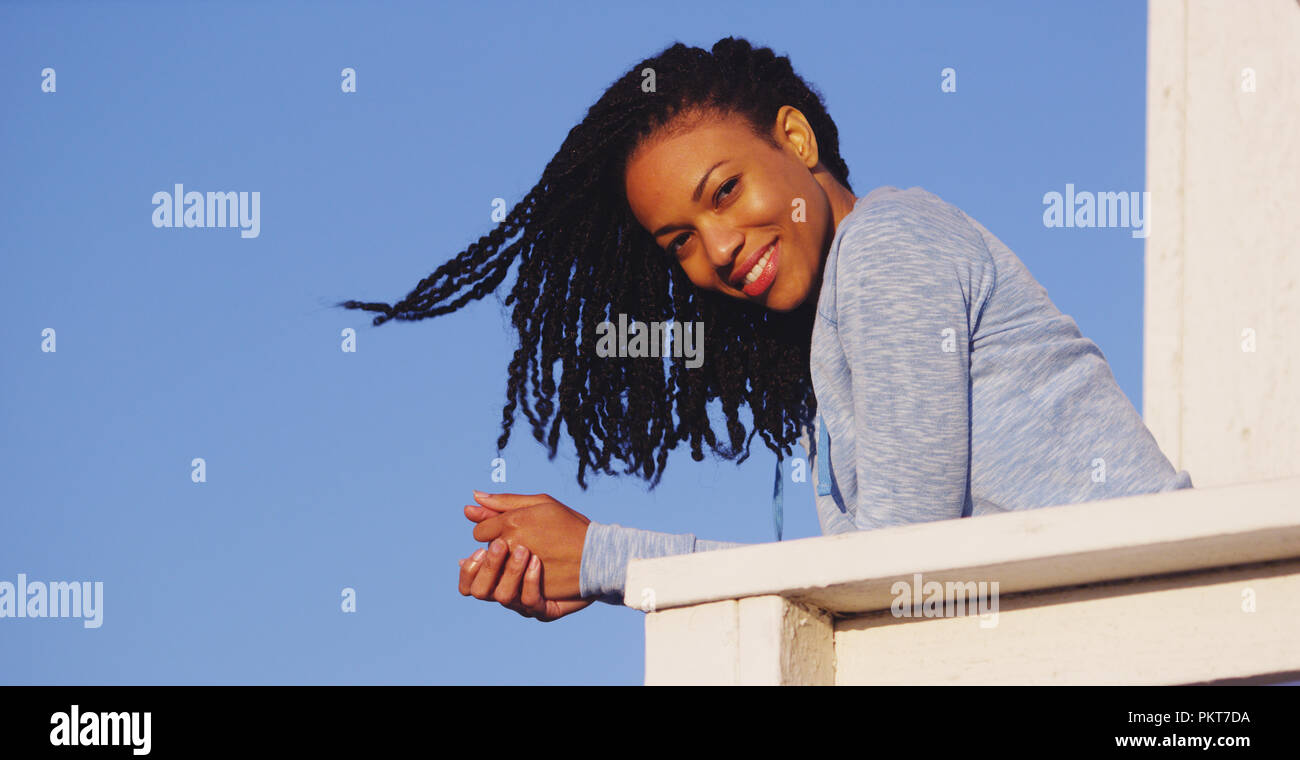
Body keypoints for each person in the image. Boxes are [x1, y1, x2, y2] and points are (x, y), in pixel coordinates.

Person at [338, 37, 1193, 622]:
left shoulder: (887, 250)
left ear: (796, 136)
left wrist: (608, 557)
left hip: (1186, 657)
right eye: (680, 241)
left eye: (723, 190)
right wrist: (605, 568)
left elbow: (895, 572)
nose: (716, 247)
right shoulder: (842, 330)